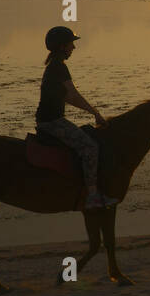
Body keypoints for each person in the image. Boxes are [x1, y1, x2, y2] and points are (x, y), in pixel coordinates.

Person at [35, 26, 119, 210]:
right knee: (90, 147)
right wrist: (95, 113)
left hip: (49, 119)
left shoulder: (55, 67)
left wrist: (92, 112)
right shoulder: (59, 68)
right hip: (52, 122)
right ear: (62, 46)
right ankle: (92, 196)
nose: (74, 47)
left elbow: (66, 97)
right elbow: (72, 95)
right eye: (71, 44)